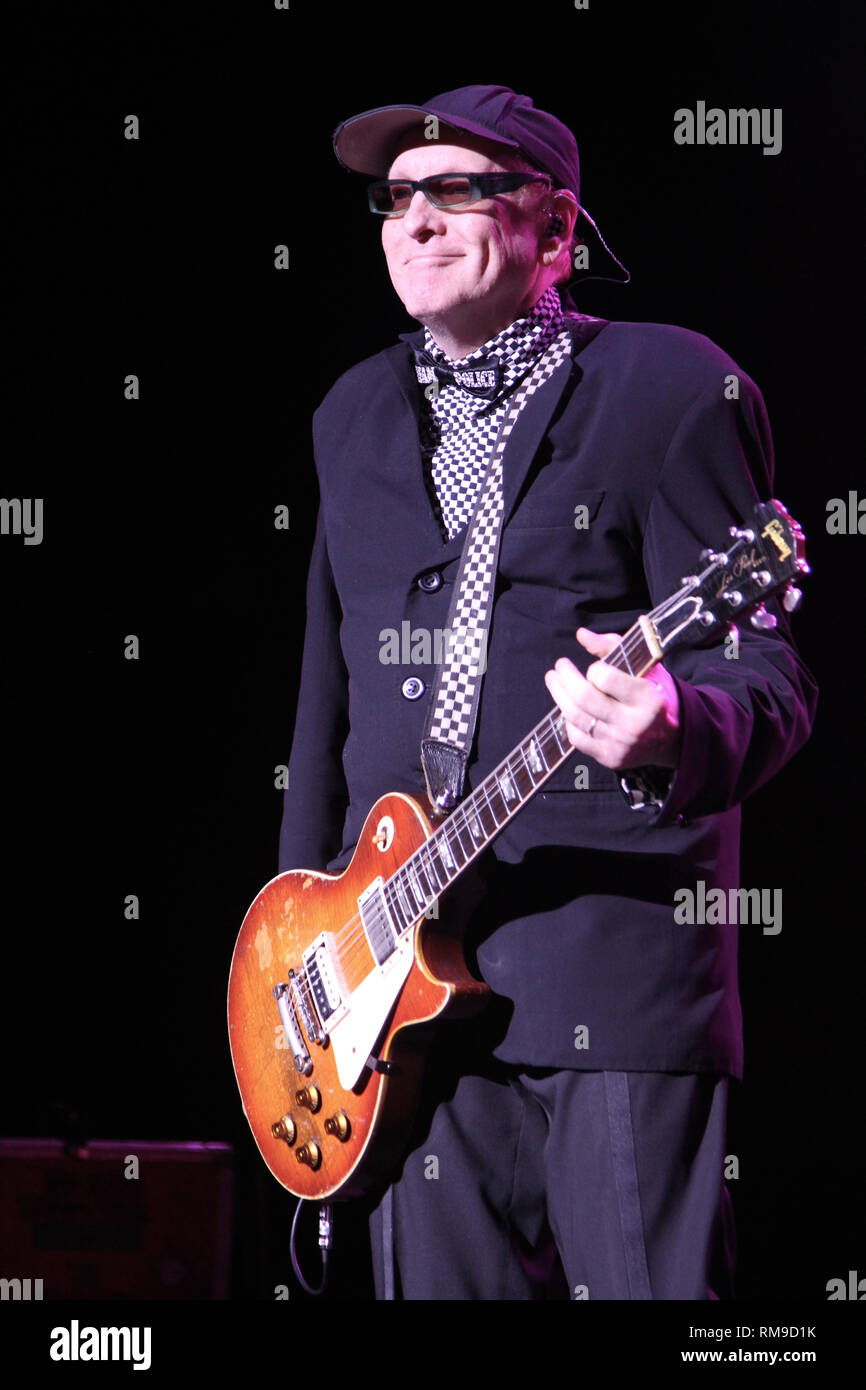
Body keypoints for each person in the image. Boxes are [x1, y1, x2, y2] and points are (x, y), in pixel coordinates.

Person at [278, 85, 817, 1300]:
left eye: (459, 188)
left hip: (610, 973)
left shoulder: (670, 388)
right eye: (395, 196)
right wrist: (296, 955)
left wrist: (681, 726)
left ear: (555, 231)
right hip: (393, 1001)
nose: (415, 219)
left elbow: (768, 670)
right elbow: (325, 706)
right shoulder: (350, 414)